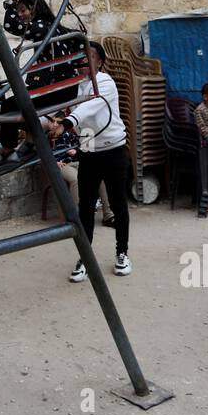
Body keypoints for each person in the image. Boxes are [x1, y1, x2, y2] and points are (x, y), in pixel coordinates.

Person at [53, 41, 131, 281]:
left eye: (90, 59)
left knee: (118, 204)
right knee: (85, 207)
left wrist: (66, 123)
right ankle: (85, 257)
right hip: (90, 152)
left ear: (100, 61)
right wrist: (56, 119)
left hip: (114, 151)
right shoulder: (79, 86)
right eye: (81, 60)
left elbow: (90, 107)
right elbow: (73, 109)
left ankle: (122, 253)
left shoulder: (105, 83)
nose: (84, 64)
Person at [0, 0, 82, 161]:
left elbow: (11, 25)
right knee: (22, 100)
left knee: (10, 105)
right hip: (61, 86)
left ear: (35, 9)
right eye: (18, 11)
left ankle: (8, 149)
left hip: (59, 89)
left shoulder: (43, 27)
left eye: (23, 10)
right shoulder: (55, 28)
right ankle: (28, 142)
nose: (20, 15)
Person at [45, 116, 113, 228]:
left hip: (76, 162)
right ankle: (79, 216)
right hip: (62, 165)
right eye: (53, 122)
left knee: (99, 174)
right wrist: (53, 162)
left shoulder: (70, 135)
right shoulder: (45, 138)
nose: (55, 125)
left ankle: (108, 215)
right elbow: (41, 156)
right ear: (49, 123)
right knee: (75, 179)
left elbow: (82, 149)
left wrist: (76, 151)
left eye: (59, 122)